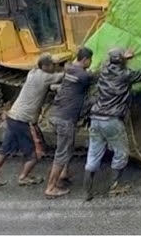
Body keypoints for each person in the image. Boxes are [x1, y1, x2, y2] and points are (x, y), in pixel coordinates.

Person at [83, 45, 141, 200]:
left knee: (93, 155)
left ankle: (87, 191)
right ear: (121, 60)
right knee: (121, 153)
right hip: (112, 120)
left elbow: (111, 62)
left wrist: (123, 58)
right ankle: (114, 186)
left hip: (96, 118)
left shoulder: (103, 71)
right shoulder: (125, 75)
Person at [0, 53, 63, 189]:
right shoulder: (45, 76)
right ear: (45, 66)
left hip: (13, 117)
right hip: (24, 121)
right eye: (53, 65)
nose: (55, 67)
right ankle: (24, 177)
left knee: (4, 150)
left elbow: (48, 86)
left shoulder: (32, 73)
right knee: (37, 152)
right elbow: (63, 76)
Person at [45, 46, 94, 198]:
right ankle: (51, 188)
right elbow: (97, 78)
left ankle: (63, 175)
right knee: (62, 153)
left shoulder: (70, 69)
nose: (91, 63)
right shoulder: (83, 75)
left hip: (55, 114)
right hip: (65, 119)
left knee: (67, 147)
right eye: (90, 60)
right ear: (85, 60)